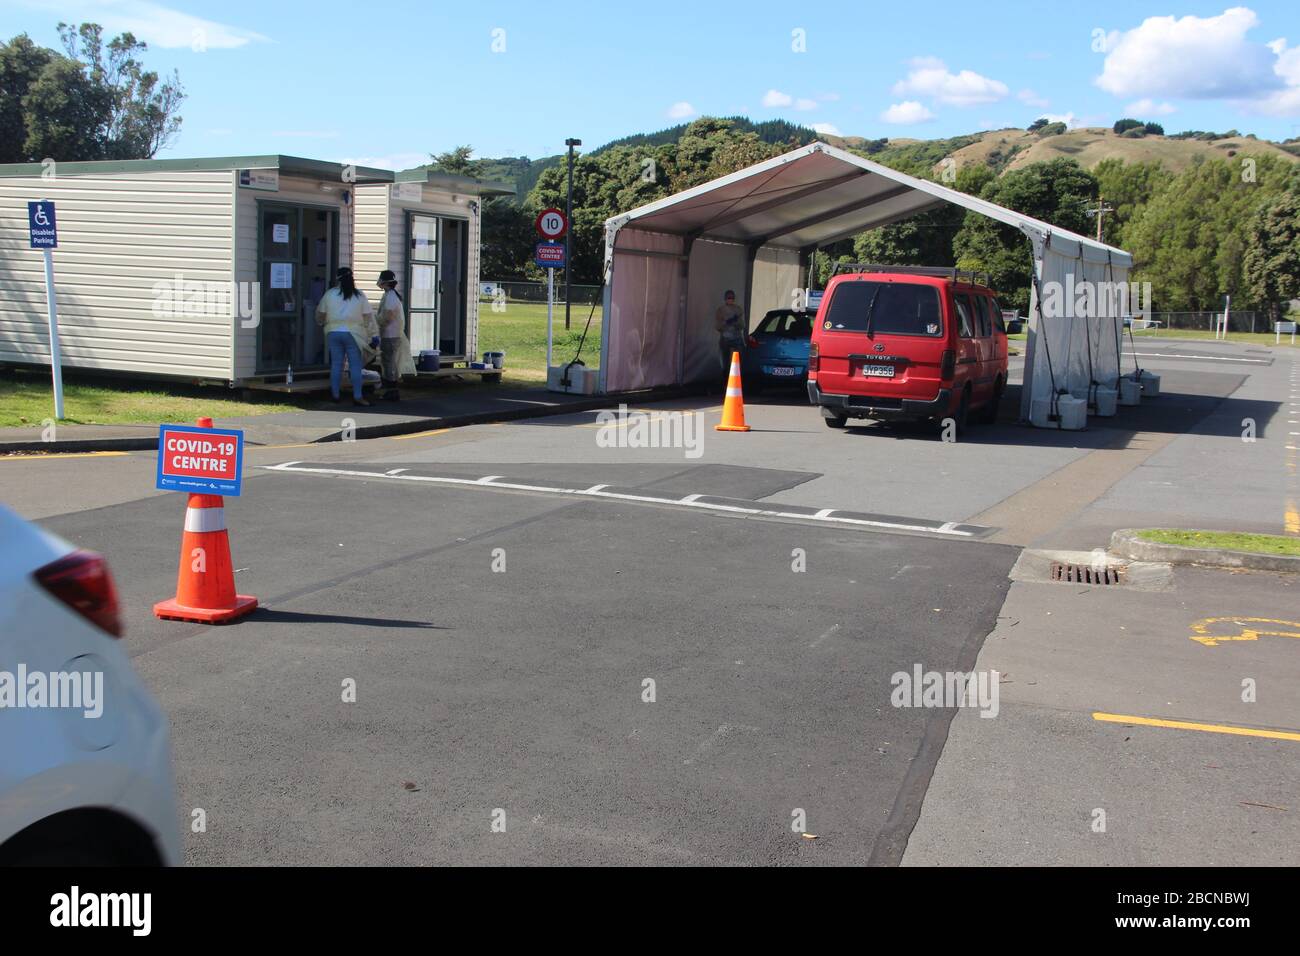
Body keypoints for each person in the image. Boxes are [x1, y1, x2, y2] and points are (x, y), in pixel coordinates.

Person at [315, 267, 377, 406]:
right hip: (353, 333)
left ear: (337, 278)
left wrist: (321, 322)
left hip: (333, 331)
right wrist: (372, 334)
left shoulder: (330, 294)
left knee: (336, 364)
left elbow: (320, 313)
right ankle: (358, 396)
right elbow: (368, 317)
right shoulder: (359, 295)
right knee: (355, 365)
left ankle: (335, 395)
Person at [375, 270, 415, 402]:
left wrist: (378, 321)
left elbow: (388, 316)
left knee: (389, 363)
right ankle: (390, 390)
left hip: (390, 335)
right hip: (391, 334)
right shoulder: (390, 295)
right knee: (388, 362)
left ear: (385, 282)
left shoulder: (391, 296)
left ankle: (392, 391)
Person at [715, 289, 745, 376]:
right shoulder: (720, 310)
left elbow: (742, 325)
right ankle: (725, 376)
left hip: (737, 337)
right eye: (728, 298)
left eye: (732, 298)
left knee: (741, 359)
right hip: (725, 337)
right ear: (725, 299)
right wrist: (726, 323)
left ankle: (740, 375)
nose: (730, 299)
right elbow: (718, 326)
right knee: (724, 362)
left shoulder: (738, 309)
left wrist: (736, 322)